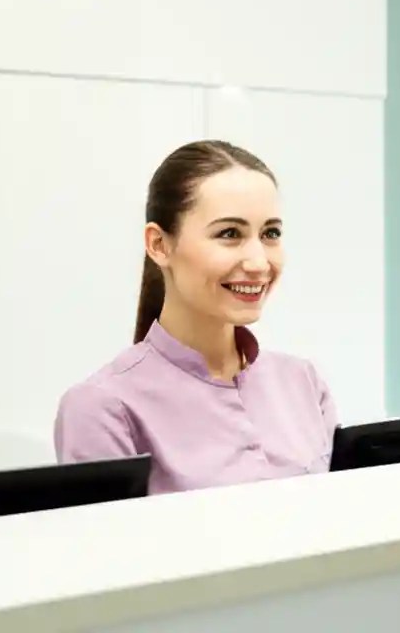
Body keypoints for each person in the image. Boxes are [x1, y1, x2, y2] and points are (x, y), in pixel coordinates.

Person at [54, 141, 339, 495]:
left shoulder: (304, 383)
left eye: (270, 233)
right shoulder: (102, 408)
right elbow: (106, 548)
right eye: (229, 234)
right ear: (159, 245)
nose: (258, 262)